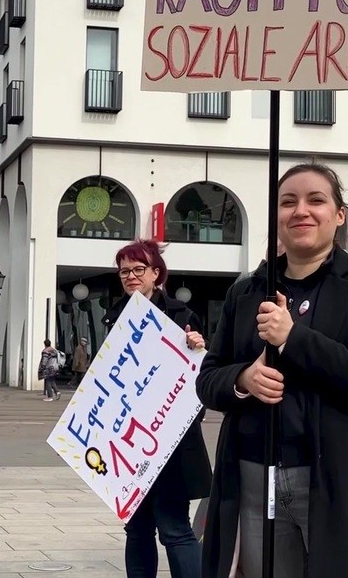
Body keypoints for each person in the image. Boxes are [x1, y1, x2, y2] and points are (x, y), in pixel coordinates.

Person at [196, 163, 348, 578]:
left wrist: (292, 338)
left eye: (316, 200)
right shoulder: (245, 292)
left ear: (339, 214)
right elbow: (208, 378)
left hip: (340, 478)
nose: (301, 211)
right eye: (287, 202)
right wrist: (243, 380)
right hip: (255, 476)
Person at [101, 238, 208, 578]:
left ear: (155, 273)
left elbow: (202, 378)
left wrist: (198, 349)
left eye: (137, 269)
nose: (130, 276)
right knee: (136, 528)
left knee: (175, 529)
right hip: (128, 445)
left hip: (171, 442)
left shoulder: (182, 316)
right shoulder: (113, 318)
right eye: (124, 272)